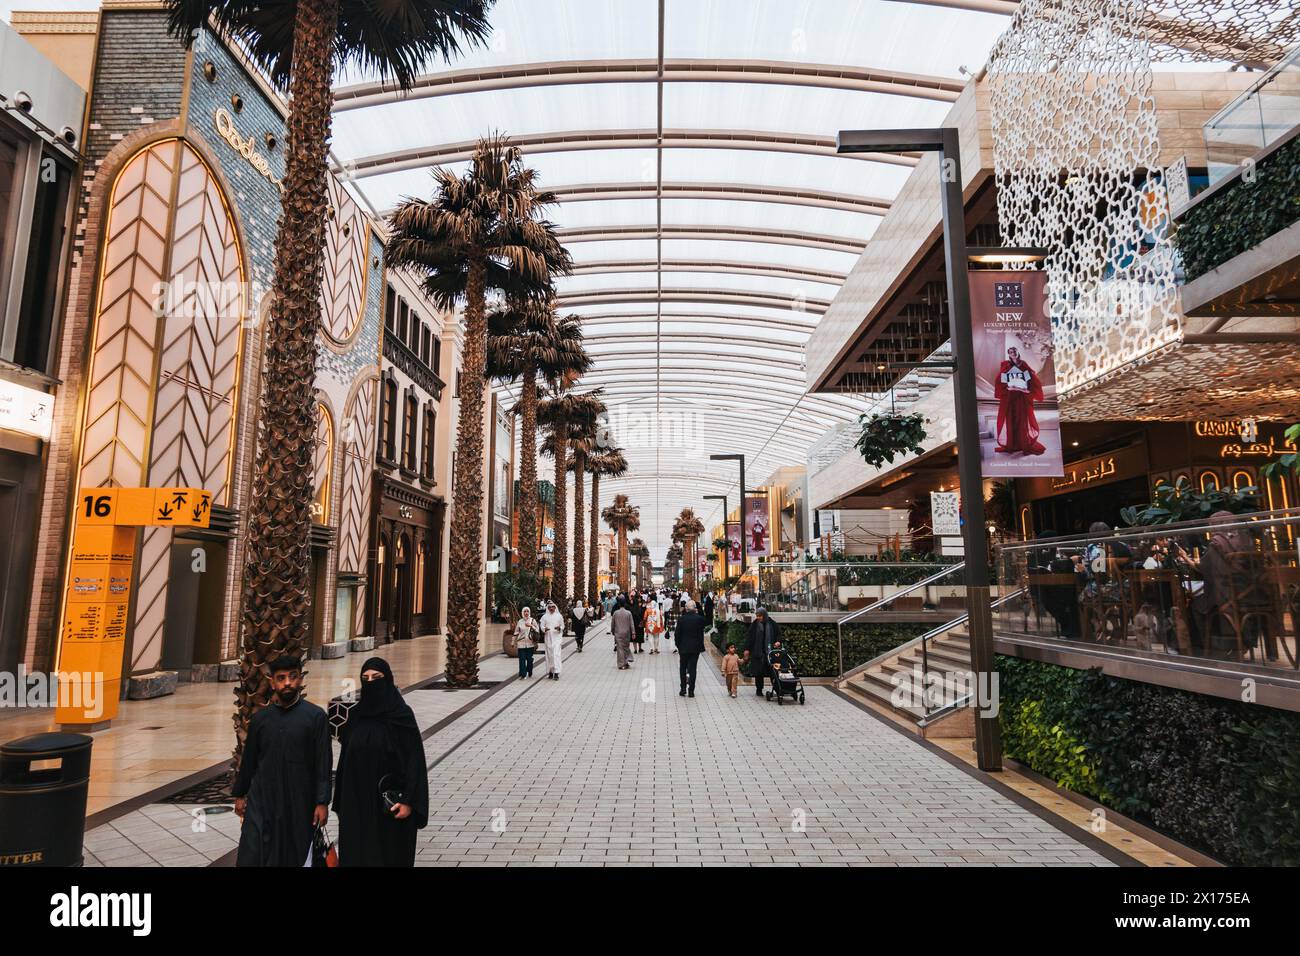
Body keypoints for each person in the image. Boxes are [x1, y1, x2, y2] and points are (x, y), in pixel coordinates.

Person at [232, 655, 332, 866]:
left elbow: (323, 763)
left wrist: (322, 802)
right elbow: (249, 760)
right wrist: (240, 794)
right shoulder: (261, 719)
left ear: (300, 679)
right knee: (254, 852)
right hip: (263, 799)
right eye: (281, 678)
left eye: (293, 677)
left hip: (299, 800)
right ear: (272, 682)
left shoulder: (316, 717)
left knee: (293, 853)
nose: (287, 683)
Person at [332, 657, 428, 867]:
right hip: (356, 806)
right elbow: (344, 762)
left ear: (388, 679)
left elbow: (415, 762)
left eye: (377, 677)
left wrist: (409, 801)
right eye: (365, 678)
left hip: (389, 808)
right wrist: (340, 802)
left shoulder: (401, 716)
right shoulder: (356, 715)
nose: (370, 682)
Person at [993, 346, 1047, 456]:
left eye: (1014, 351)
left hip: (1021, 399)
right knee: (1010, 421)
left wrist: (1023, 389)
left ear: (1017, 352)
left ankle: (1023, 444)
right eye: (1011, 352)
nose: (1013, 353)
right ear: (1009, 354)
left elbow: (1029, 382)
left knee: (1022, 421)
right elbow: (1003, 384)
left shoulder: (1024, 365)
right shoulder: (1006, 366)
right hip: (1010, 398)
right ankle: (1013, 444)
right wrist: (1013, 388)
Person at [744, 607, 780, 697]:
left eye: (760, 616)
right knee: (758, 672)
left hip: (770, 653)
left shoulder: (772, 623)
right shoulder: (755, 624)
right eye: (757, 616)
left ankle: (778, 689)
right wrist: (747, 649)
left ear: (764, 615)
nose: (758, 617)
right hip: (758, 652)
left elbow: (778, 634)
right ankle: (759, 690)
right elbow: (749, 637)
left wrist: (778, 641)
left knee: (773, 672)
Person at [675, 598, 706, 698]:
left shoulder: (681, 619)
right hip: (695, 648)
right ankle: (691, 691)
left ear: (686, 609)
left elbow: (677, 634)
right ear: (695, 609)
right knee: (693, 669)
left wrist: (678, 645)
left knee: (683, 668)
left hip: (683, 647)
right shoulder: (699, 619)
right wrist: (699, 608)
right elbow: (706, 621)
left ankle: (683, 689)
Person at [541, 600, 565, 679]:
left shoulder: (559, 616)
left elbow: (563, 626)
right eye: (550, 607)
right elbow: (541, 626)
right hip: (548, 638)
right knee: (549, 655)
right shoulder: (544, 617)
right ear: (548, 608)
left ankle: (557, 672)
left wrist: (559, 628)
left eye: (553, 607)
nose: (551, 608)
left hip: (557, 638)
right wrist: (545, 629)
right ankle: (550, 671)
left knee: (556, 654)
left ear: (555, 608)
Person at [514, 606, 539, 678]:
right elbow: (516, 631)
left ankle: (530, 670)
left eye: (527, 611)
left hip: (530, 644)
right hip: (521, 643)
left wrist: (531, 626)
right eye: (524, 611)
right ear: (522, 613)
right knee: (522, 659)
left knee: (529, 660)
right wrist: (513, 641)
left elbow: (537, 630)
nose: (526, 613)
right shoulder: (520, 621)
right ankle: (523, 673)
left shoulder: (532, 620)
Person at [611, 596, 635, 669]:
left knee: (620, 649)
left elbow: (613, 624)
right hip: (627, 633)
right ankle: (626, 661)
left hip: (618, 633)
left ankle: (621, 664)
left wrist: (612, 631)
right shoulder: (628, 613)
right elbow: (632, 624)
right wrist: (633, 633)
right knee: (626, 647)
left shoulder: (615, 613)